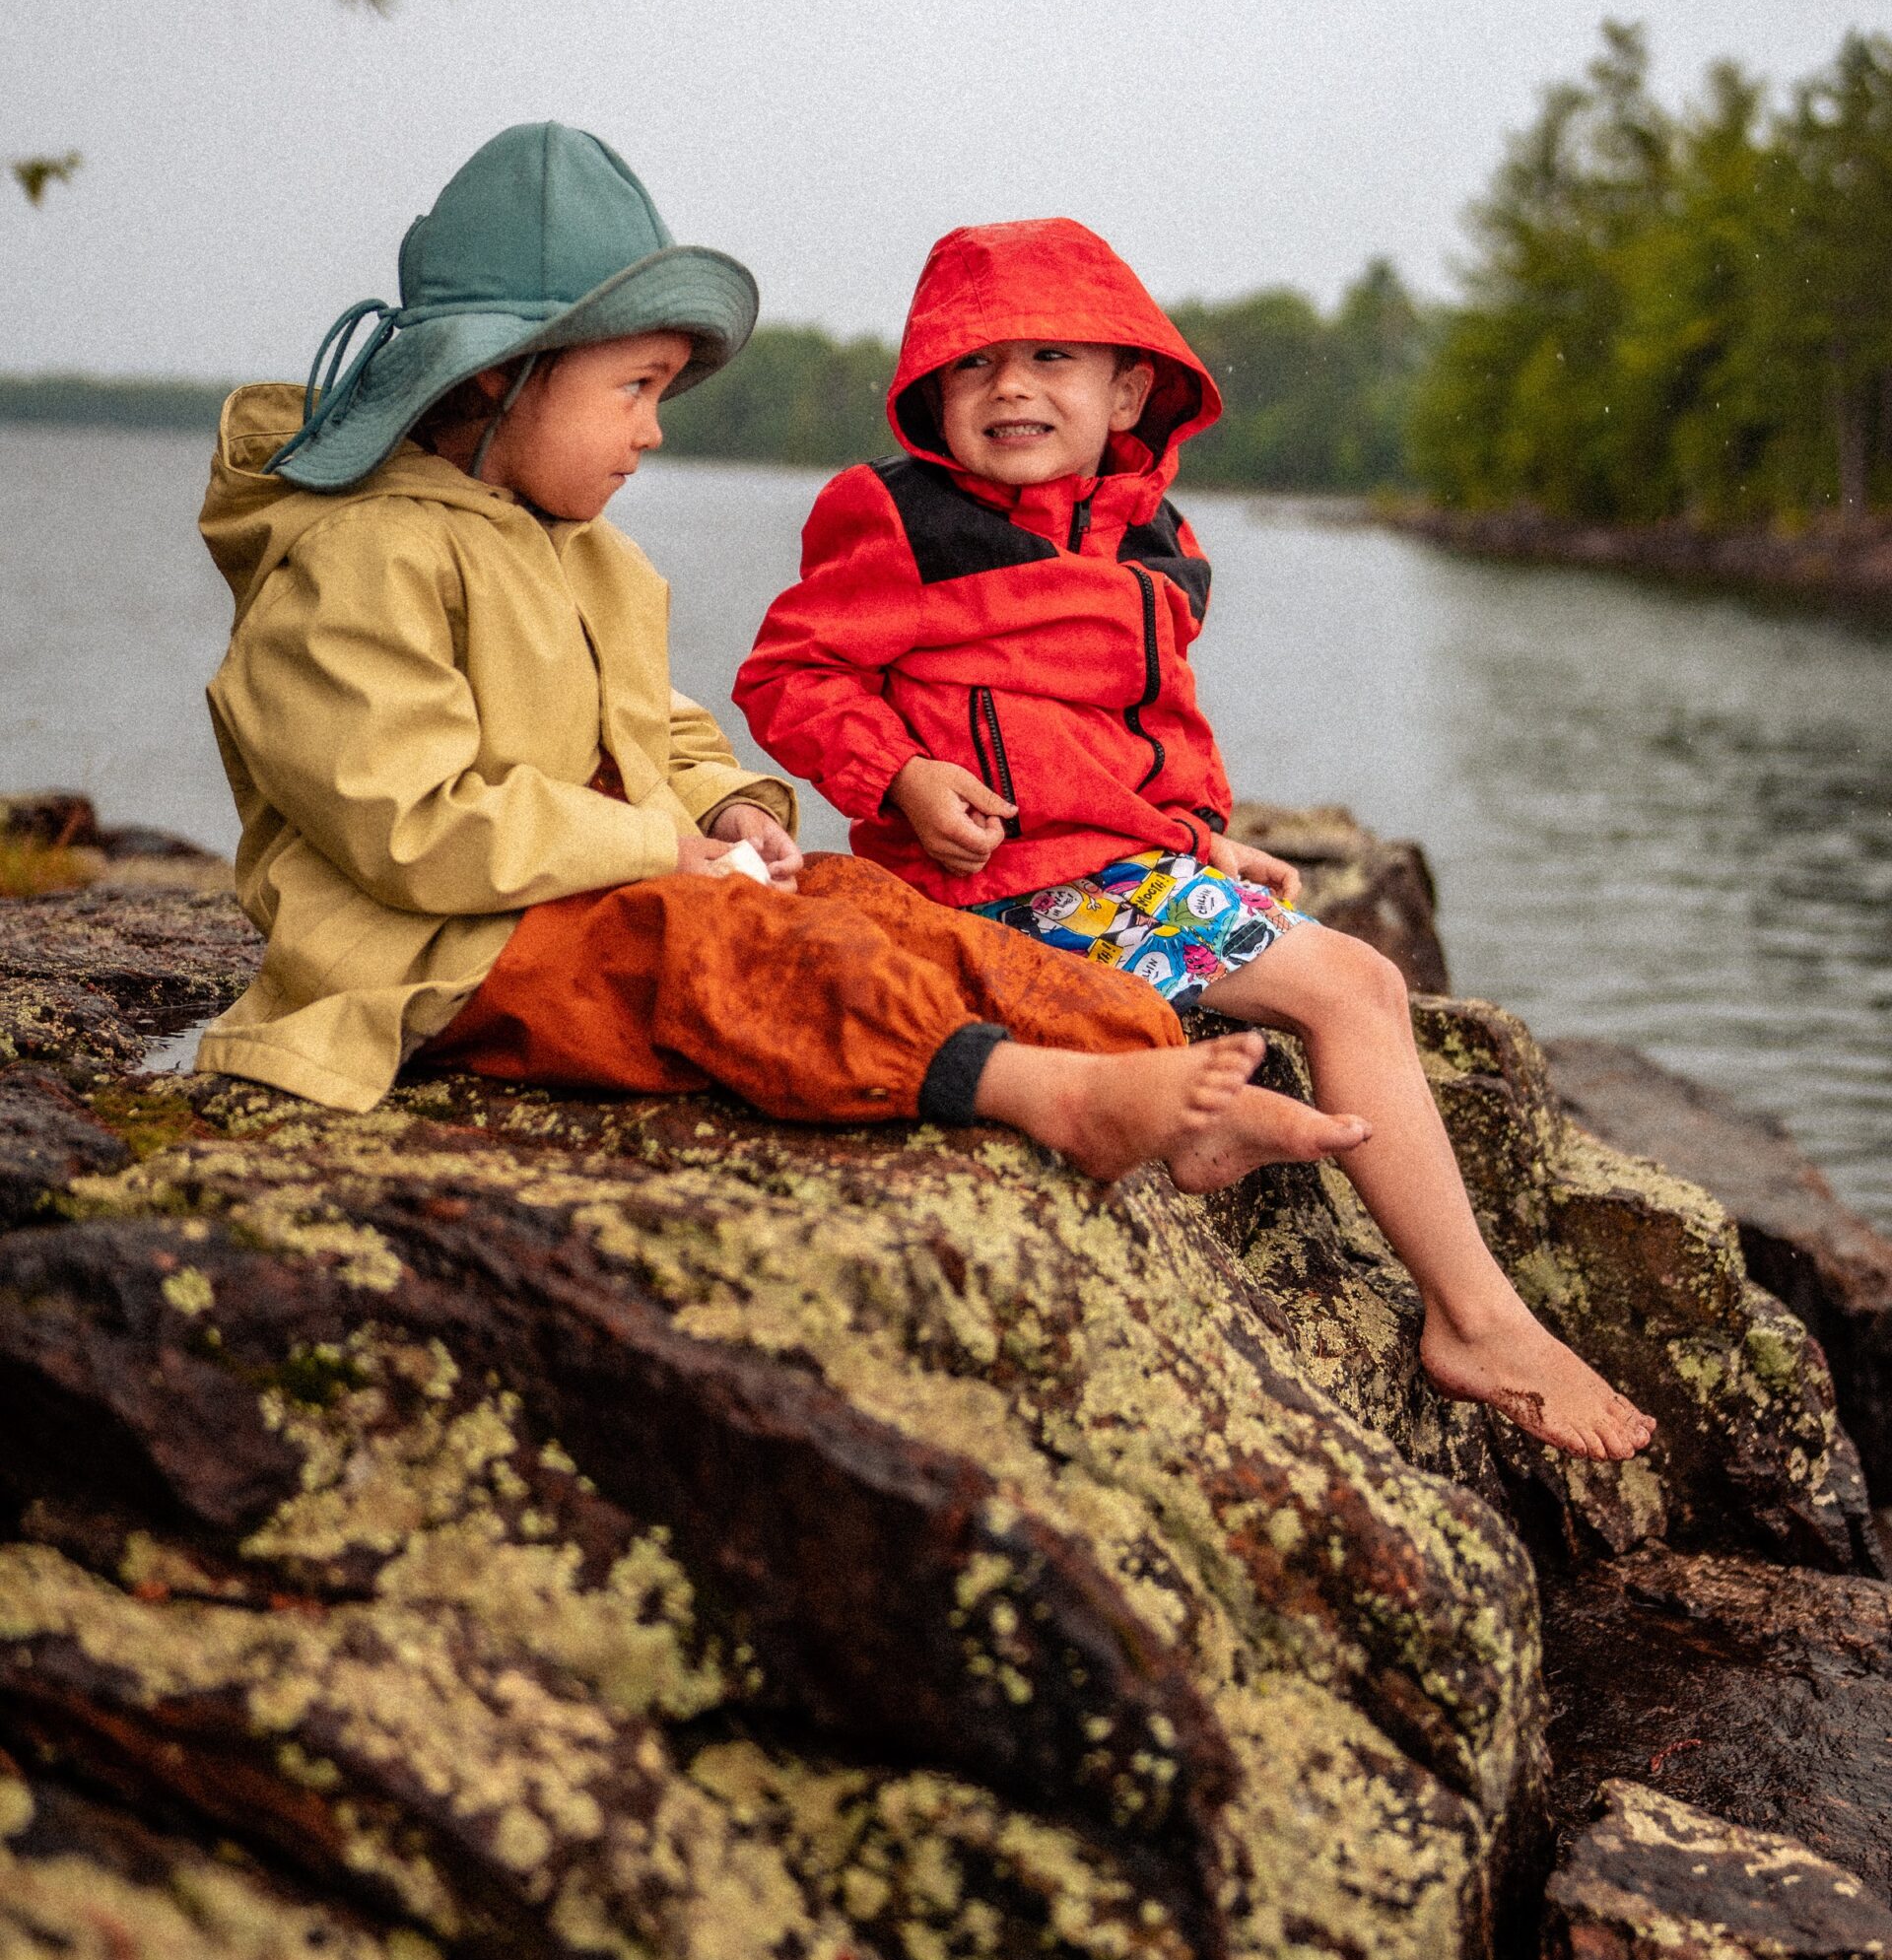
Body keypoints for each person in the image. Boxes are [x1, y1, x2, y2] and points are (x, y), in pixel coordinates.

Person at [194, 125, 1370, 1199]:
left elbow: (659, 726)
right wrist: (662, 847)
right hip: (445, 954)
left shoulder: (582, 554)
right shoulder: (354, 562)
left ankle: (1154, 1075)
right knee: (741, 957)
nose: (654, 429)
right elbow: (407, 818)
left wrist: (730, 804)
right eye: (635, 389)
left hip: (600, 891)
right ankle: (1048, 1095)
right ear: (499, 374)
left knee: (863, 900)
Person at [736, 217, 1657, 1462]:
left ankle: (1198, 1126)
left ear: (1129, 388)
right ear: (927, 393)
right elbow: (790, 675)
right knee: (1356, 986)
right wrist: (899, 773)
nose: (1010, 386)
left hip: (1114, 873)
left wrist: (1200, 838)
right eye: (972, 363)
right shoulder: (896, 520)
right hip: (992, 884)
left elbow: (1155, 724)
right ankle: (1477, 1317)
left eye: (1052, 357)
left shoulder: (1158, 543)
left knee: (1312, 993)